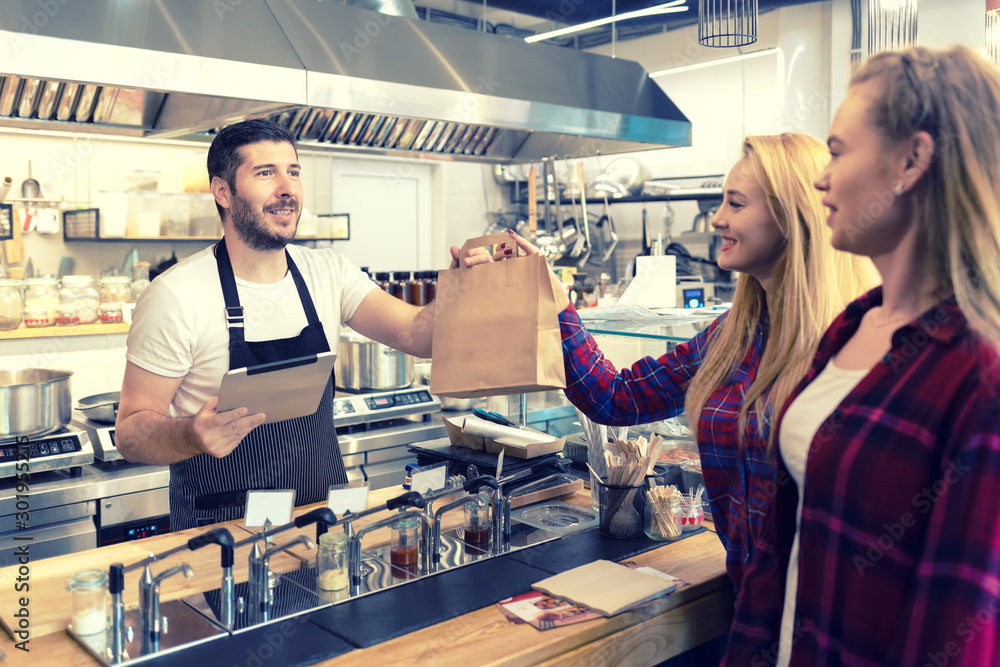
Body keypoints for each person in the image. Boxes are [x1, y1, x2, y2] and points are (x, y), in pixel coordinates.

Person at [498, 133, 879, 596]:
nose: (718, 218)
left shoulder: (859, 343)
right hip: (750, 600)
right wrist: (556, 303)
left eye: (735, 204)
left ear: (791, 218)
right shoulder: (733, 333)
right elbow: (618, 398)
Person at [721, 45, 1000, 666]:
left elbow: (957, 633)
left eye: (839, 151)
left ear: (912, 160)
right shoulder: (850, 327)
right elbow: (785, 555)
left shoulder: (979, 372)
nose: (822, 177)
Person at [116, 119, 486, 530]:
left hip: (324, 523)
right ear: (222, 191)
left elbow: (418, 335)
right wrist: (190, 434)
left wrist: (458, 286)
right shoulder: (175, 294)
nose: (287, 188)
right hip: (222, 533)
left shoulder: (327, 271)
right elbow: (130, 433)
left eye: (293, 172)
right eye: (265, 173)